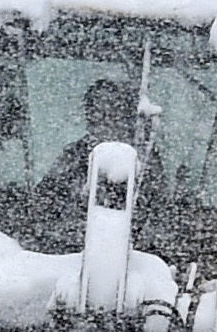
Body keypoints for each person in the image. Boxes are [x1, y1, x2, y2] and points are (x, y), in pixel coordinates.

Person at [31, 76, 138, 230]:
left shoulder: (142, 162)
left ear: (124, 117)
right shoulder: (72, 157)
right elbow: (41, 210)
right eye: (95, 112)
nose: (102, 120)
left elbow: (156, 216)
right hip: (70, 250)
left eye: (110, 113)